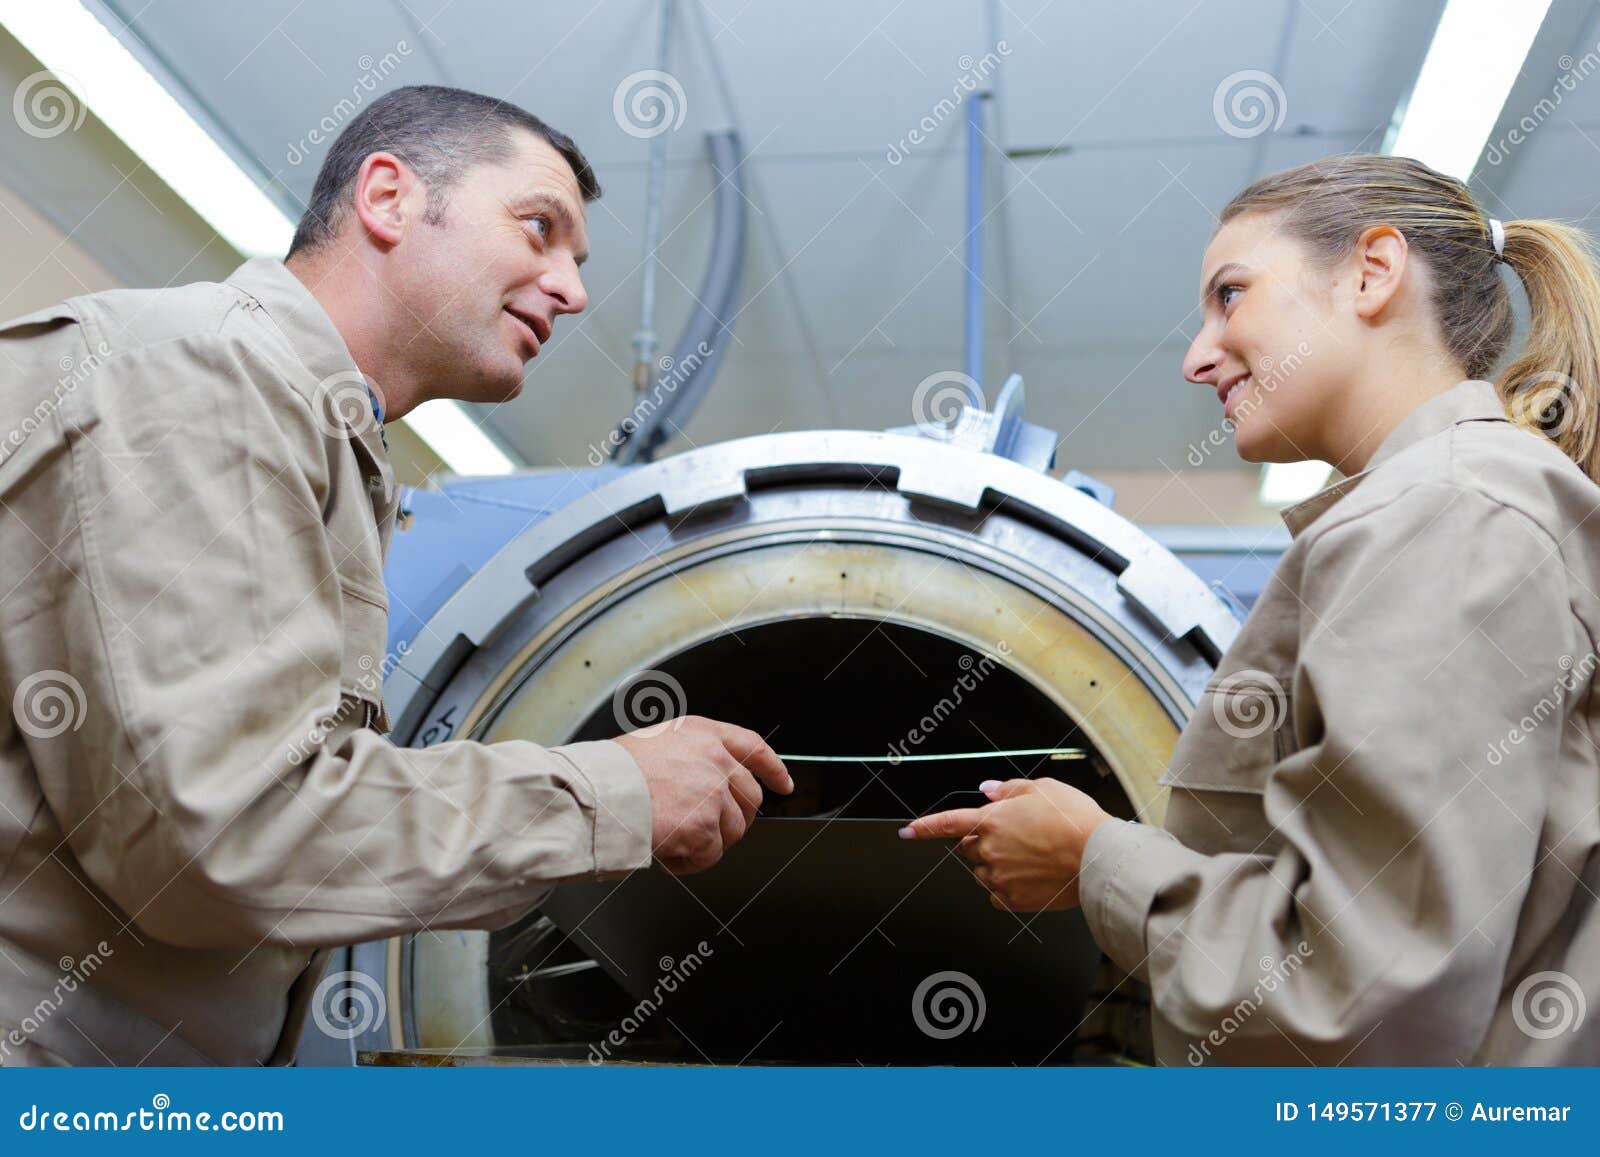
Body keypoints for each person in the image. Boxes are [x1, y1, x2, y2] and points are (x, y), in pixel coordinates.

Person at [0, 85, 790, 1067]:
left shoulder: (326, 448)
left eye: (576, 262)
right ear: (387, 198)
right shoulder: (199, 375)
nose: (572, 289)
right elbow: (224, 838)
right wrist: (611, 791)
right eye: (538, 228)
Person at [906, 154, 1600, 1064]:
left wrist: (1095, 859)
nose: (1197, 357)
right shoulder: (1432, 511)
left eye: (1229, 296)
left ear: (1373, 271)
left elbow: (1362, 989)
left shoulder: (1450, 513)